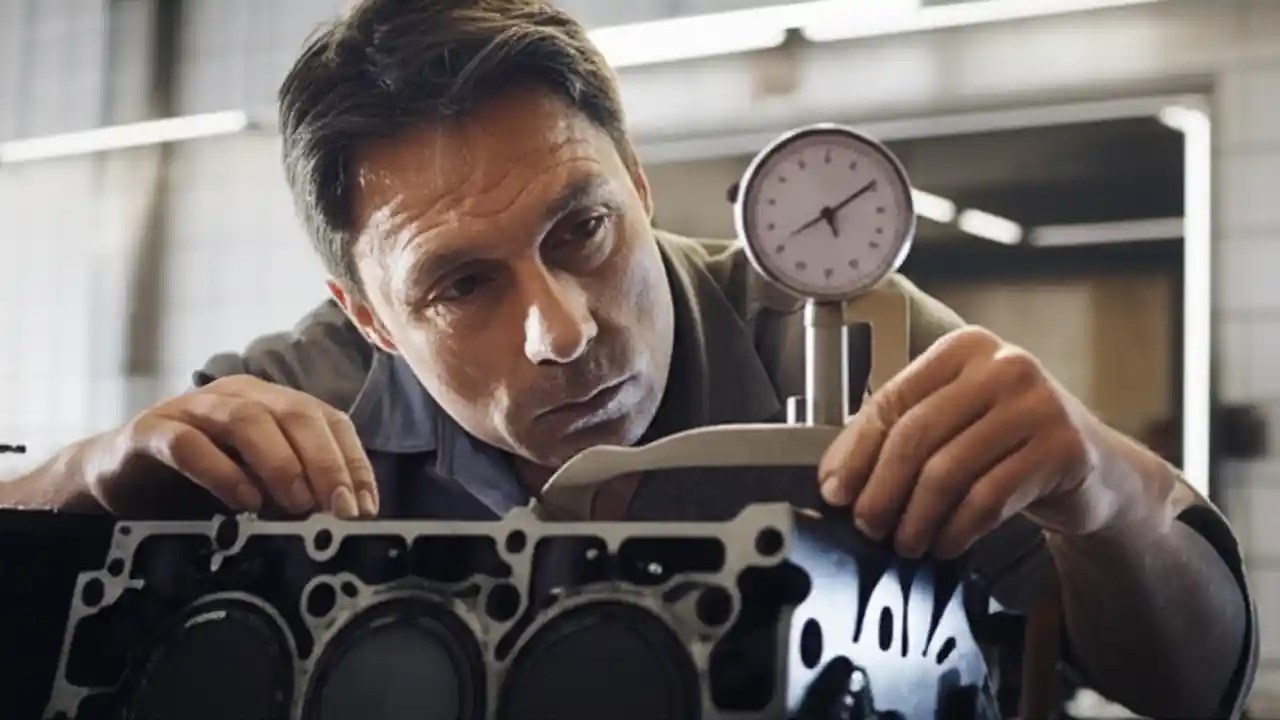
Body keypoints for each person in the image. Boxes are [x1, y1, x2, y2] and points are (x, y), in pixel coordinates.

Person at [1, 0, 1254, 715]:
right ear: (370, 317)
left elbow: (1191, 686)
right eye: (460, 285)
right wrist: (86, 482)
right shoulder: (301, 396)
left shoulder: (843, 333)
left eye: (583, 230)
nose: (559, 330)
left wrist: (1100, 492)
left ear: (641, 186)